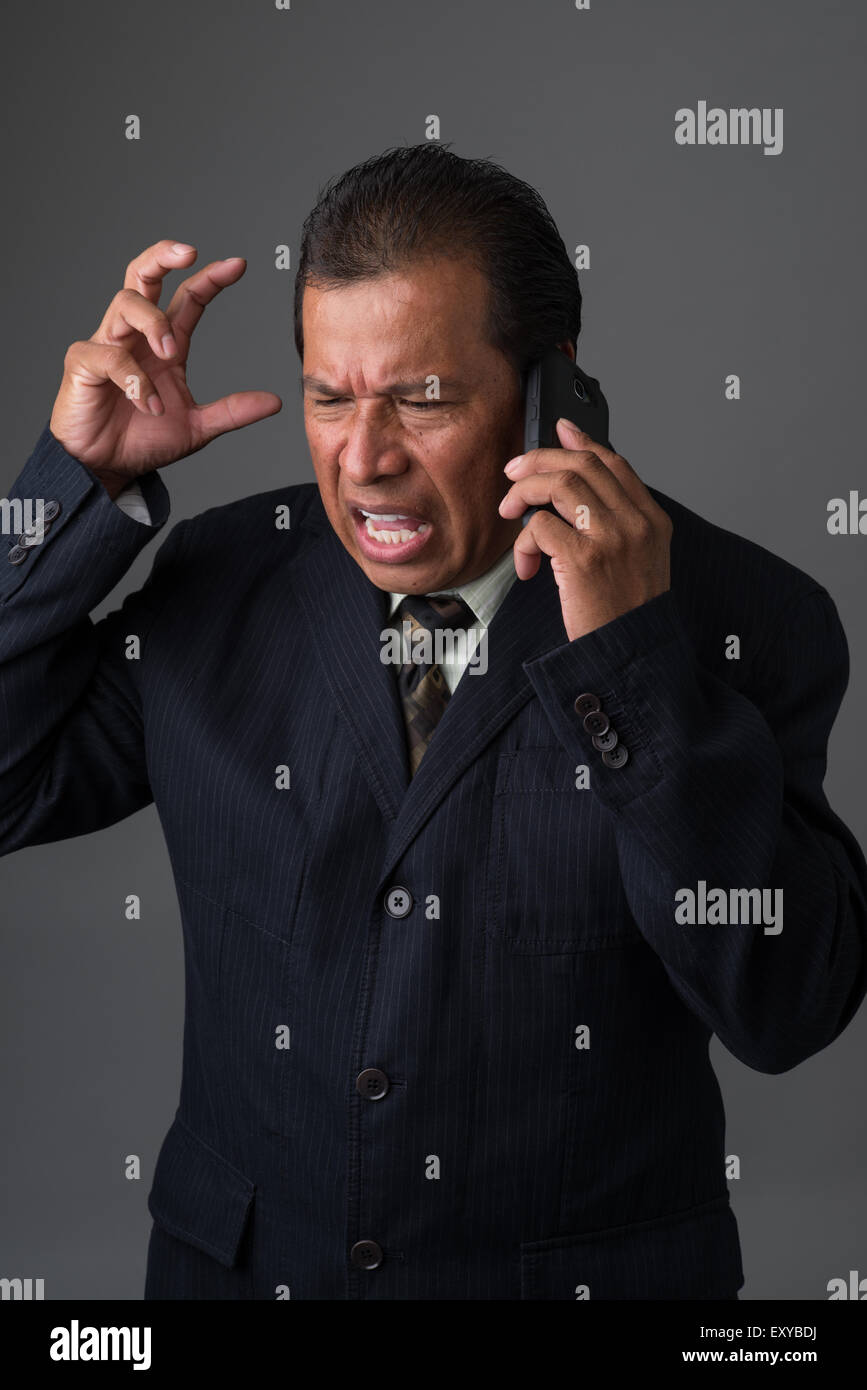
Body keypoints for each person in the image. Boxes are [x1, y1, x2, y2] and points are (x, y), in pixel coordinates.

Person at [1, 143, 865, 1301]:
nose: (365, 461)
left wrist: (632, 663)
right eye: (328, 397)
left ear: (553, 387)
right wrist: (67, 489)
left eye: (424, 397)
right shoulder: (217, 585)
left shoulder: (745, 617)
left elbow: (788, 1001)